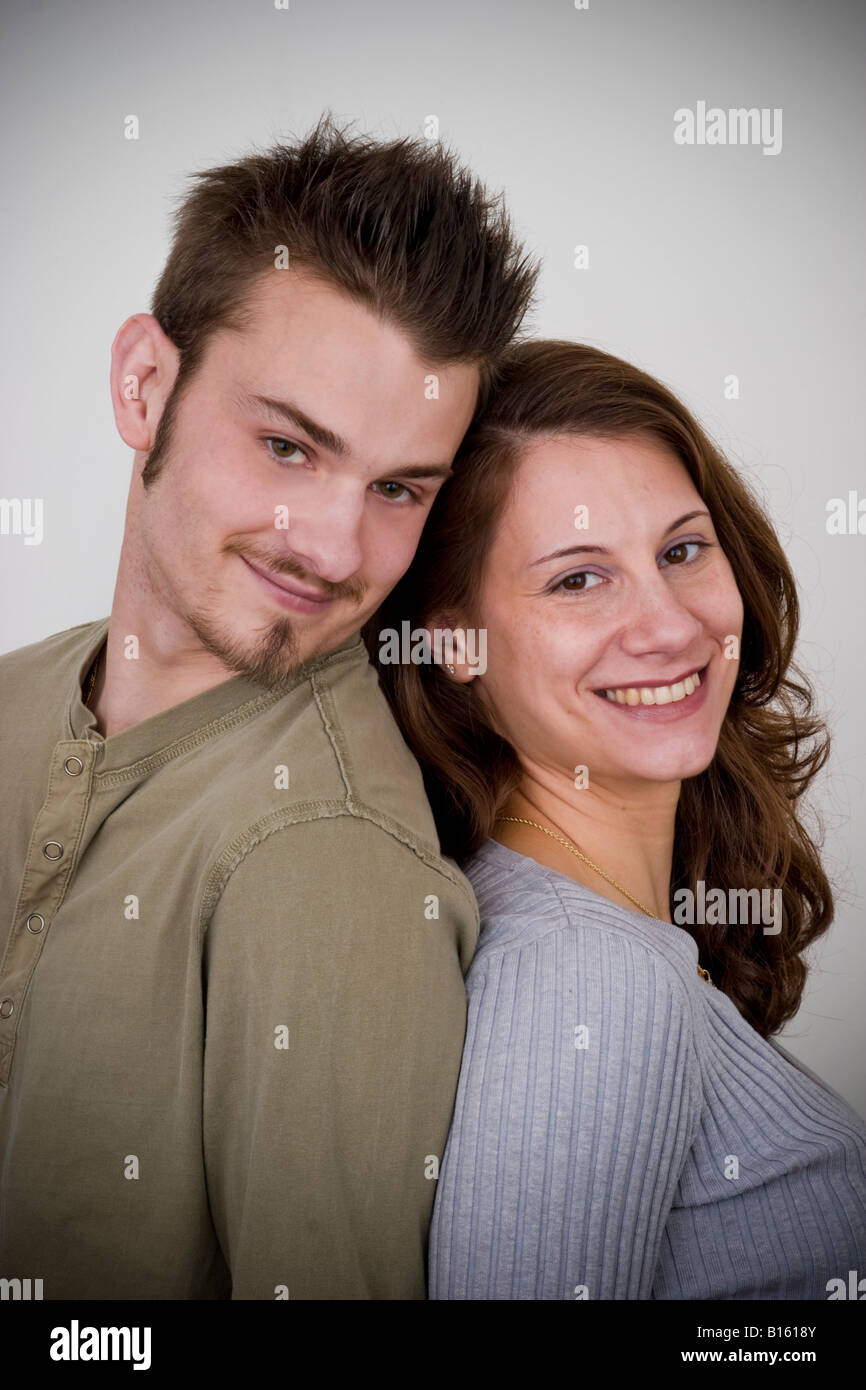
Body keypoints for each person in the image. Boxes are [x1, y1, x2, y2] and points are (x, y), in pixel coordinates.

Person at [0, 117, 537, 1299]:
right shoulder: (15, 696)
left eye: (399, 487)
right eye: (290, 447)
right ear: (146, 384)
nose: (339, 547)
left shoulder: (326, 855)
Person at [366, 338, 866, 1299]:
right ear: (453, 640)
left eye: (682, 551)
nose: (671, 626)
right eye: (578, 579)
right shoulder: (589, 979)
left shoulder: (585, 925)